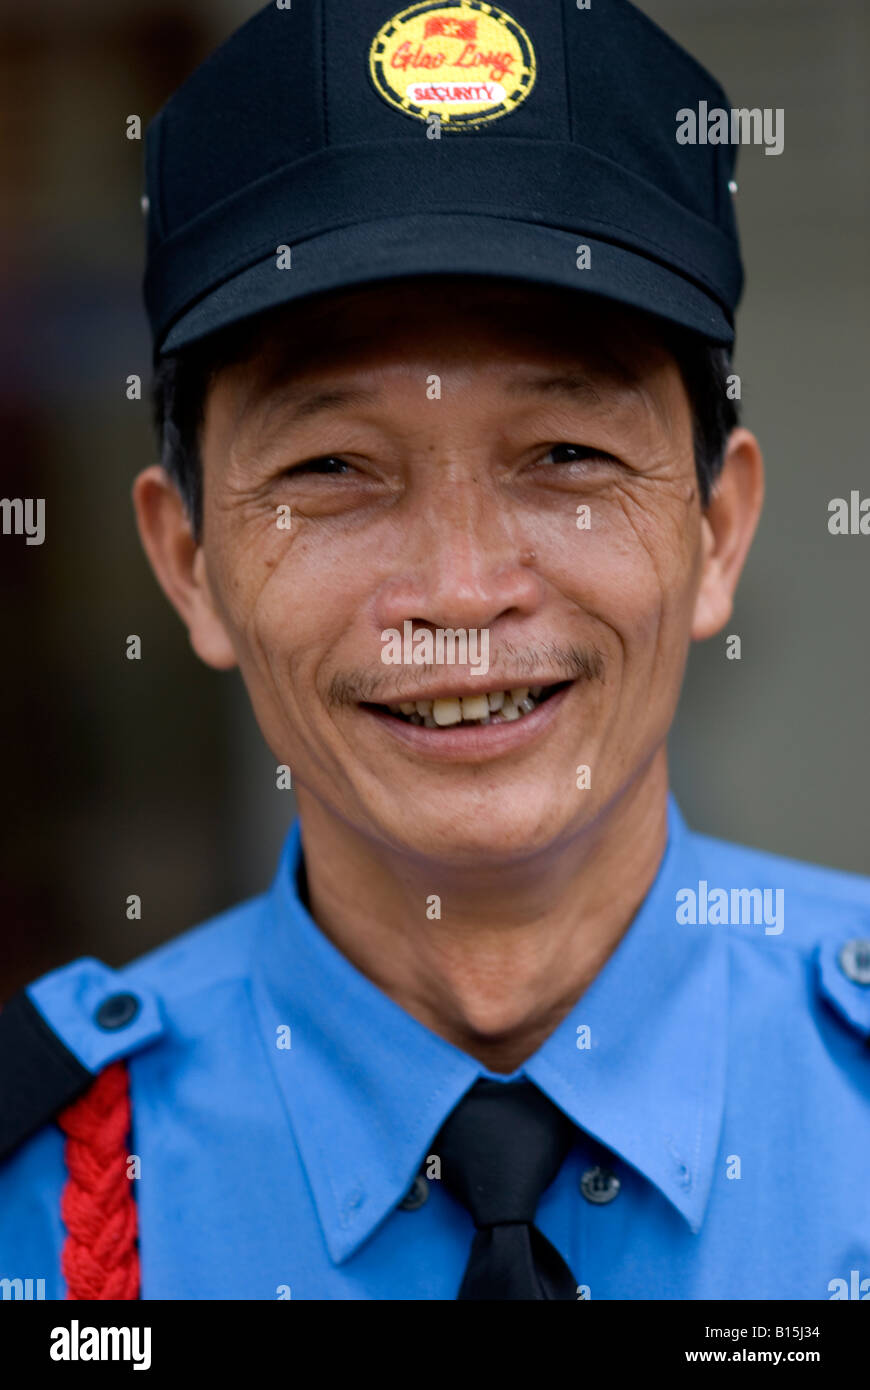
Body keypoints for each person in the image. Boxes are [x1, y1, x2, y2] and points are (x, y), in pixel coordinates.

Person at [2, 0, 869, 1303]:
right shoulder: (44, 1192)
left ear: (717, 527)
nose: (461, 591)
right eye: (332, 469)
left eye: (564, 456)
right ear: (189, 562)